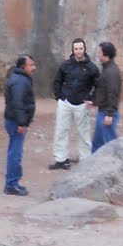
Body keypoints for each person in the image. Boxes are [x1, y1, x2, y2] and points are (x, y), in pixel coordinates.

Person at [49, 38, 98, 169]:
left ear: (84, 49)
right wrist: (59, 96)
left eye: (80, 48)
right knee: (61, 131)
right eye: (76, 49)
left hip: (82, 104)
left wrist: (92, 99)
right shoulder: (65, 65)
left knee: (84, 133)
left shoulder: (92, 67)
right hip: (66, 102)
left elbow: (98, 85)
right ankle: (60, 159)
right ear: (73, 50)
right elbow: (57, 81)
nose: (78, 51)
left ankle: (86, 160)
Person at [2, 55, 37, 195]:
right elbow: (18, 103)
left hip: (15, 120)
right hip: (16, 122)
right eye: (31, 65)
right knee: (15, 154)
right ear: (23, 67)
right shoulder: (20, 82)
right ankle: (11, 184)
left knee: (15, 152)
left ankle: (14, 182)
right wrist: (22, 123)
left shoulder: (20, 79)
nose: (34, 68)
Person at [90, 40, 122, 152]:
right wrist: (94, 101)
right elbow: (102, 90)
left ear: (105, 54)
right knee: (97, 143)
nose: (98, 54)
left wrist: (109, 114)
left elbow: (113, 93)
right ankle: (94, 161)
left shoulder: (111, 72)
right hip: (103, 111)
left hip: (106, 113)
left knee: (111, 144)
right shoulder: (107, 69)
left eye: (100, 52)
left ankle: (117, 162)